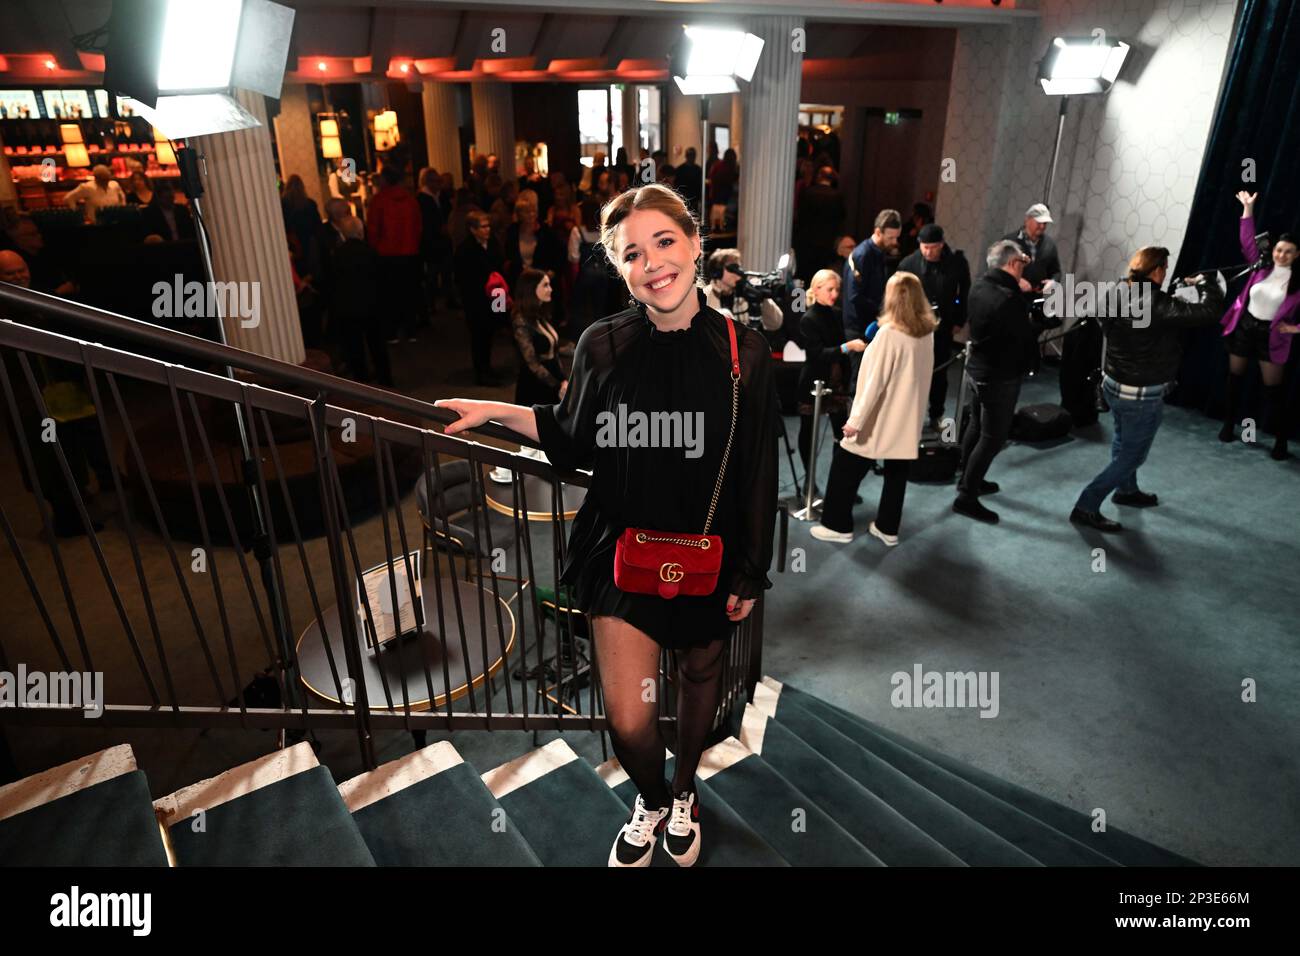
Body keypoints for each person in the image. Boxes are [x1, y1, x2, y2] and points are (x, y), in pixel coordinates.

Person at [434, 182, 777, 868]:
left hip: (709, 553)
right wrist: (498, 411)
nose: (652, 263)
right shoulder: (603, 344)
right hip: (621, 551)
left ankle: (685, 791)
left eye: (664, 242)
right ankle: (650, 797)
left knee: (701, 679)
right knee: (629, 718)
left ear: (694, 244)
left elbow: (758, 470)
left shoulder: (745, 352)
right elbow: (572, 439)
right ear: (618, 268)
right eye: (631, 254)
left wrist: (750, 567)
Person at [1070, 247, 1225, 532]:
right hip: (1140, 394)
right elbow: (1208, 312)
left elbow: (1105, 322)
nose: (1166, 273)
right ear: (1156, 270)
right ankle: (1086, 505)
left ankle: (1126, 490)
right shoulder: (1157, 302)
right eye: (1164, 268)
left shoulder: (1118, 289)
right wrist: (1206, 284)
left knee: (1122, 439)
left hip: (1114, 385)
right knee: (1133, 454)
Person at [811, 272, 936, 546]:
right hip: (908, 418)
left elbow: (873, 384)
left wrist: (855, 420)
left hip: (878, 419)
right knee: (896, 473)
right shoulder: (926, 332)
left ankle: (837, 526)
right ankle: (887, 529)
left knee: (844, 467)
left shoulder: (889, 335)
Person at [952, 240, 1048, 524]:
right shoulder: (1008, 298)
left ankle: (967, 480)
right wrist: (1038, 308)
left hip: (977, 369)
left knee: (976, 427)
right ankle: (966, 496)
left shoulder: (980, 286)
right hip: (1000, 376)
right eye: (1021, 263)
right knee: (993, 438)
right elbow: (1025, 334)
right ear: (1012, 264)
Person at [1218, 191, 1300, 459]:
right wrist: (1248, 209)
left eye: (1288, 251)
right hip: (1244, 328)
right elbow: (1246, 240)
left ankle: (1280, 440)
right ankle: (1229, 425)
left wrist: (1293, 329)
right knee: (1234, 380)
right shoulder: (1260, 267)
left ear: (1297, 254)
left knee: (1273, 391)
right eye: (1278, 249)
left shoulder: (1296, 285)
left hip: (1272, 336)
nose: (1281, 254)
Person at [896, 223, 970, 428]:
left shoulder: (957, 263)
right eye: (924, 247)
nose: (928, 251)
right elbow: (898, 296)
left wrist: (959, 319)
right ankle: (909, 415)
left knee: (939, 372)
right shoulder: (908, 264)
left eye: (933, 247)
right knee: (911, 372)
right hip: (914, 327)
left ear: (941, 244)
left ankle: (936, 414)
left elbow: (964, 293)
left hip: (943, 325)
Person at [796, 268, 862, 479]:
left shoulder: (835, 314)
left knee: (841, 433)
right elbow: (817, 354)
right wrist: (847, 347)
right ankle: (809, 480)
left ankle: (839, 480)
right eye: (830, 289)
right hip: (813, 381)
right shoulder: (808, 318)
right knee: (808, 433)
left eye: (837, 289)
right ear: (816, 290)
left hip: (836, 381)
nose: (835, 294)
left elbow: (836, 350)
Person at [330, 216, 392, 387]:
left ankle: (361, 382)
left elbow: (333, 282)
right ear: (360, 231)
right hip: (372, 306)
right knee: (377, 346)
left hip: (348, 309)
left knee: (355, 348)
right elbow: (382, 280)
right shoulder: (370, 252)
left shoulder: (338, 255)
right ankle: (386, 380)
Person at [367, 161, 424, 344]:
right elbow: (418, 227)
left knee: (389, 295)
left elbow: (374, 229)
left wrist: (374, 248)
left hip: (387, 254)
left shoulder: (379, 201)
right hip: (409, 252)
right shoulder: (410, 200)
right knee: (409, 292)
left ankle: (391, 332)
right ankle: (410, 330)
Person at [842, 210, 901, 376]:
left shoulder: (877, 253)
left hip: (869, 322)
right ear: (877, 232)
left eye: (896, 237)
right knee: (860, 375)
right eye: (890, 238)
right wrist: (881, 311)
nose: (894, 242)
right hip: (859, 325)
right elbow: (855, 296)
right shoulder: (863, 255)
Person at [453, 210, 506, 385]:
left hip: (494, 297)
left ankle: (488, 367)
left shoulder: (492, 243)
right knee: (478, 336)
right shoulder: (465, 250)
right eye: (483, 227)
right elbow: (463, 278)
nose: (487, 230)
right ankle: (481, 372)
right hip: (476, 300)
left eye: (488, 226)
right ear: (473, 229)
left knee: (490, 333)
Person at [511, 268, 571, 407]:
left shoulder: (540, 314)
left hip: (551, 380)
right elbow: (532, 363)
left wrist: (563, 380)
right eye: (545, 285)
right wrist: (557, 385)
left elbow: (553, 353)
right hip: (535, 386)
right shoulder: (520, 320)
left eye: (549, 284)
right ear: (531, 289)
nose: (550, 289)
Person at [702, 248, 783, 333]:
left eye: (739, 267)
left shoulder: (747, 293)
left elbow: (776, 323)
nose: (739, 272)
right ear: (717, 272)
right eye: (733, 268)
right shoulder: (703, 296)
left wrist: (761, 297)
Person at [793, 167, 847, 282]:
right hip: (826, 243)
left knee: (803, 277)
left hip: (806, 242)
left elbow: (800, 216)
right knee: (822, 278)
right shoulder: (837, 196)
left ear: (818, 177)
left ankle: (799, 299)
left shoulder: (808, 192)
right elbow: (841, 219)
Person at [1002, 203, 1062, 294]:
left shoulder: (1050, 245)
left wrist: (1053, 282)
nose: (1042, 227)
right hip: (1010, 296)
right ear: (1027, 220)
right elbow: (996, 267)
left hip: (1035, 298)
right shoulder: (1009, 242)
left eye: (1045, 223)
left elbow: (1056, 272)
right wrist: (1016, 279)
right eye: (1039, 222)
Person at [674, 146, 703, 212]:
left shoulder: (698, 169)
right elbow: (677, 185)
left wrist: (699, 198)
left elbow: (699, 185)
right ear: (686, 156)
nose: (692, 157)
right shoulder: (680, 169)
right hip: (683, 199)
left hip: (694, 199)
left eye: (693, 155)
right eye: (690, 155)